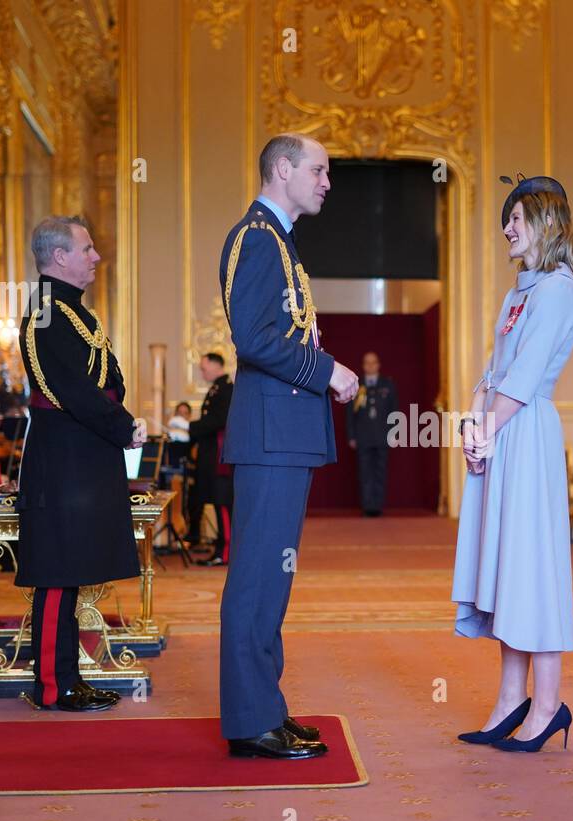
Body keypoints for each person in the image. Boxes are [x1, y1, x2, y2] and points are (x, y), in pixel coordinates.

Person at [217, 133, 359, 758]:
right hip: (271, 436)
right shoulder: (257, 238)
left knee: (272, 582)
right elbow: (253, 338)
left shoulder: (280, 242)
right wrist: (327, 370)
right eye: (319, 170)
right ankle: (250, 723)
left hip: (284, 435)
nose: (327, 182)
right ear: (283, 169)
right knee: (256, 579)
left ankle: (265, 708)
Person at [452, 175, 573, 753]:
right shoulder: (518, 293)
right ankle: (511, 698)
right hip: (501, 430)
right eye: (506, 218)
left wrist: (490, 426)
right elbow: (493, 368)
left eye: (517, 218)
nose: (507, 228)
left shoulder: (558, 289)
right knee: (506, 568)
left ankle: (549, 704)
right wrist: (474, 425)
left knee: (532, 568)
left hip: (526, 432)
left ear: (546, 222)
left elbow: (526, 377)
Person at [16, 215, 146, 711]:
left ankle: (68, 678)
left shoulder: (71, 312)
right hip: (64, 457)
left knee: (71, 568)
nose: (95, 256)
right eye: (87, 248)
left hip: (84, 454)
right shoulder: (47, 313)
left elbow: (104, 377)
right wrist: (121, 424)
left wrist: (116, 420)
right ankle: (52, 684)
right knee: (56, 571)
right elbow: (68, 389)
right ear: (60, 256)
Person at [187, 353, 234, 566]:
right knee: (217, 502)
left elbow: (217, 420)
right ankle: (221, 549)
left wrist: (189, 427)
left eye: (204, 368)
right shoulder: (218, 386)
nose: (202, 372)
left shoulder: (226, 388)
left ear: (217, 366)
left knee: (222, 502)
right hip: (213, 455)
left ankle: (226, 552)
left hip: (219, 457)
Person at [346, 351, 398, 516]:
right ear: (363, 365)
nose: (370, 366)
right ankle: (367, 507)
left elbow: (394, 411)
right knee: (365, 472)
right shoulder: (357, 385)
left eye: (373, 362)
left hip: (383, 435)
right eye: (366, 363)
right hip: (363, 436)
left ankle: (378, 506)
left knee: (380, 472)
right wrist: (351, 435)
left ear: (378, 365)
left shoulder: (387, 385)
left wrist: (395, 433)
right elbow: (350, 414)